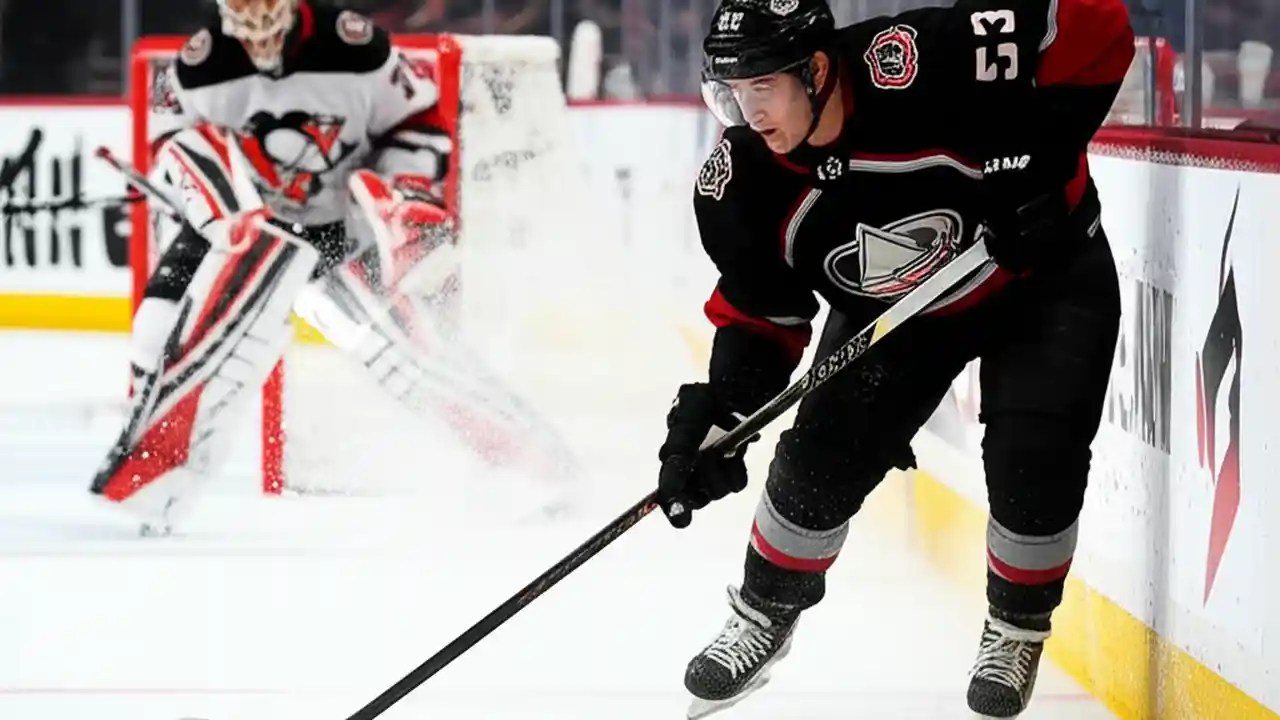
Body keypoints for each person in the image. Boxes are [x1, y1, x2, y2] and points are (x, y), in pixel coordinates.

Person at [654, 0, 1134, 717]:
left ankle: (1016, 626)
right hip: (897, 313)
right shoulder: (742, 182)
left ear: (816, 70)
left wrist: (1037, 160)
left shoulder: (919, 56)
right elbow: (766, 314)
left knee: (1037, 448)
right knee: (818, 457)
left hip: (1044, 277)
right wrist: (723, 412)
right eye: (733, 91)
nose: (748, 113)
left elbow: (1099, 27)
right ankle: (762, 612)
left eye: (763, 87)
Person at [90, 0, 575, 534]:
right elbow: (172, 149)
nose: (256, 21)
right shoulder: (198, 65)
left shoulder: (354, 45)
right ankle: (153, 482)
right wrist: (218, 203)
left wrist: (402, 191)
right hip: (238, 233)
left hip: (338, 231)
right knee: (157, 330)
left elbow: (417, 120)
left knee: (415, 360)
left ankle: (534, 464)